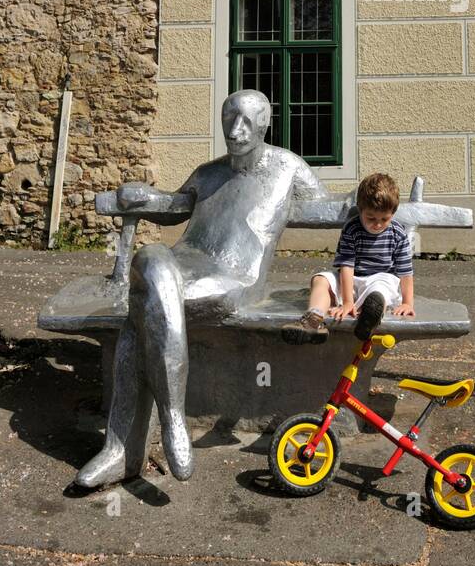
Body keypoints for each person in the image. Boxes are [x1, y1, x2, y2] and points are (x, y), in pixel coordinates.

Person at [74, 89, 332, 489]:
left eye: (247, 120)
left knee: (143, 307)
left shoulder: (288, 168)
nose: (236, 129)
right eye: (229, 119)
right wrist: (143, 195)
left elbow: (330, 208)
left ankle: (131, 442)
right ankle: (165, 422)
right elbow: (175, 204)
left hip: (234, 279)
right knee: (153, 270)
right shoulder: (208, 172)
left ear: (265, 123)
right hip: (182, 267)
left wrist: (380, 207)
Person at [282, 172, 415, 344]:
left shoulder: (398, 234)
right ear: (360, 210)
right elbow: (346, 266)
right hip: (351, 280)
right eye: (371, 218)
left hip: (381, 279)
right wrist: (347, 302)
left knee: (380, 290)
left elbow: (405, 272)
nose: (378, 224)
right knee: (321, 279)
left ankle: (370, 319)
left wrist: (407, 303)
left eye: (385, 219)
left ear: (393, 213)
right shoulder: (352, 229)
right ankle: (313, 319)